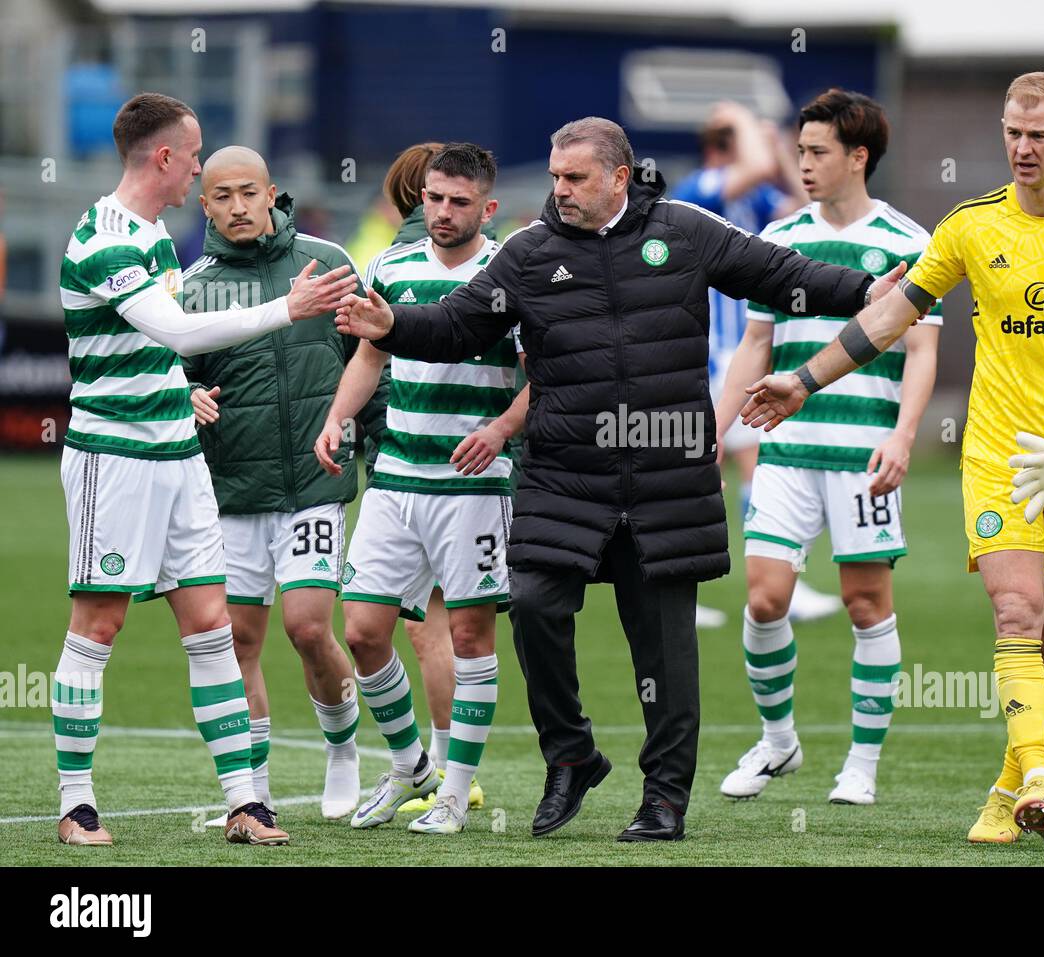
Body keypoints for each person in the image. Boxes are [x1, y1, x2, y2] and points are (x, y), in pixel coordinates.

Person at [335, 116, 886, 841]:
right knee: (532, 606)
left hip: (667, 474)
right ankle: (571, 753)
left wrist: (873, 289)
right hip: (566, 472)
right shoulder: (531, 253)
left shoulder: (685, 231)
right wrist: (393, 324)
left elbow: (781, 277)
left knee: (663, 647)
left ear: (620, 177)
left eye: (574, 179)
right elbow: (459, 325)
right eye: (556, 178)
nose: (559, 191)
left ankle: (663, 799)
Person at [740, 72, 1044, 843]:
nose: (1021, 147)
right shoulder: (970, 225)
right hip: (998, 454)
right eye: (1012, 131)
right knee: (1016, 611)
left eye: (1038, 134)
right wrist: (804, 381)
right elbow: (886, 321)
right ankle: (1042, 774)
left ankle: (1010, 788)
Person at [53, 92, 357, 846]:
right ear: (164, 158)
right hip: (114, 458)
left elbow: (159, 352)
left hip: (178, 458)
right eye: (193, 157)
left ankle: (244, 802)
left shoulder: (155, 236)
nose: (200, 168)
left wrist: (177, 392)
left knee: (213, 626)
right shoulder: (104, 238)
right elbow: (179, 331)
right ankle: (75, 802)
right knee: (99, 624)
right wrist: (286, 309)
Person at [713, 89, 940, 805]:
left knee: (865, 604)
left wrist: (903, 437)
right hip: (786, 448)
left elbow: (923, 352)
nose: (803, 164)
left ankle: (862, 765)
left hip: (863, 449)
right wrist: (709, 430)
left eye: (817, 152)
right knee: (763, 598)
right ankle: (778, 742)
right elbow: (756, 343)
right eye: (801, 150)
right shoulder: (779, 238)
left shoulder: (911, 241)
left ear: (858, 157)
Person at [317, 142, 528, 835]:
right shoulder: (391, 265)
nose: (441, 212)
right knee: (363, 627)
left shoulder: (509, 273)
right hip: (396, 478)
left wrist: (500, 429)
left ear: (486, 208)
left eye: (458, 201)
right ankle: (412, 766)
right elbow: (371, 355)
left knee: (469, 635)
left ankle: (455, 791)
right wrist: (338, 416)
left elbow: (544, 377)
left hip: (473, 484)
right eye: (433, 198)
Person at [180, 146, 384, 827]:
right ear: (202, 204)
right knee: (237, 639)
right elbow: (166, 374)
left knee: (306, 626)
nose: (237, 206)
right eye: (222, 196)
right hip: (231, 488)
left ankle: (343, 745)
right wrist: (186, 395)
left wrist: (377, 453)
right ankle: (253, 792)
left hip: (312, 481)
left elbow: (371, 358)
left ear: (272, 193)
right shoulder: (193, 287)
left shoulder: (326, 263)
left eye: (248, 192)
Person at [675, 102, 837, 625]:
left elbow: (799, 202)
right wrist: (751, 125)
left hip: (739, 353)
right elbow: (760, 169)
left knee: (751, 466)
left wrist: (778, 150)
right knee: (697, 468)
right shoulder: (700, 187)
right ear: (719, 147)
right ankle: (680, 585)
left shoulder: (757, 195)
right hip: (706, 353)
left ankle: (783, 575)